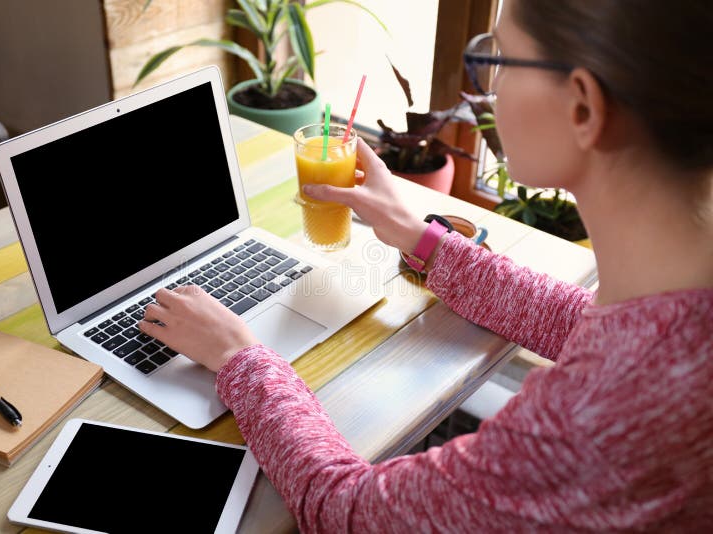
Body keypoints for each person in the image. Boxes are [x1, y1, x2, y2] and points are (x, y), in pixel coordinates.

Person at [139, 0, 712, 530]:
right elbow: (585, 322)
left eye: (499, 60)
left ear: (583, 106)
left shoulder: (589, 422)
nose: (488, 88)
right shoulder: (676, 298)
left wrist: (241, 360)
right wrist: (421, 238)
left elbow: (347, 512)